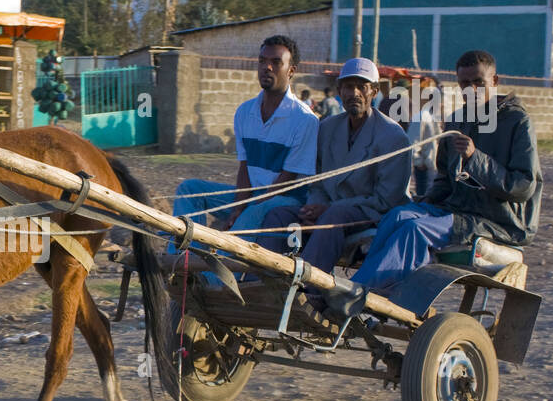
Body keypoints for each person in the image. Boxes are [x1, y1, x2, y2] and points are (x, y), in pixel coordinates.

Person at [351, 50, 542, 293]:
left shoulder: (517, 121)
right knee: (398, 216)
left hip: (499, 220)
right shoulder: (456, 121)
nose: (471, 90)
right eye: (464, 84)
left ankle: (359, 291)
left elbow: (524, 186)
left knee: (415, 229)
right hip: (459, 211)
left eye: (478, 83)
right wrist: (426, 201)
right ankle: (379, 285)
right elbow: (445, 179)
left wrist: (475, 158)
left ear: (494, 81)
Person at [260, 56, 410, 276]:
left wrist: (328, 209)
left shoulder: (393, 137)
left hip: (372, 214)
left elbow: (386, 200)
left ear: (375, 92)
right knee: (278, 215)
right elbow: (317, 182)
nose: (355, 93)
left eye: (362, 87)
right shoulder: (327, 128)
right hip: (329, 210)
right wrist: (314, 207)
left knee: (333, 217)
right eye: (349, 87)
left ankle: (308, 289)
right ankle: (263, 283)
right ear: (340, 90)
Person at [172, 34, 319, 246]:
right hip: (251, 197)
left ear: (291, 71)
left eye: (276, 62)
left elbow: (286, 181)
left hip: (285, 200)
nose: (266, 67)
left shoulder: (304, 119)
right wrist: (238, 207)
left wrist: (242, 212)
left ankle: (212, 278)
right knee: (189, 190)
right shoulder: (245, 112)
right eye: (262, 61)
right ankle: (183, 261)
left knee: (246, 220)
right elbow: (244, 169)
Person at [406, 75, 441, 198]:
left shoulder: (432, 117)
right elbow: (413, 144)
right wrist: (420, 163)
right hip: (425, 170)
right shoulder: (421, 117)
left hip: (434, 168)